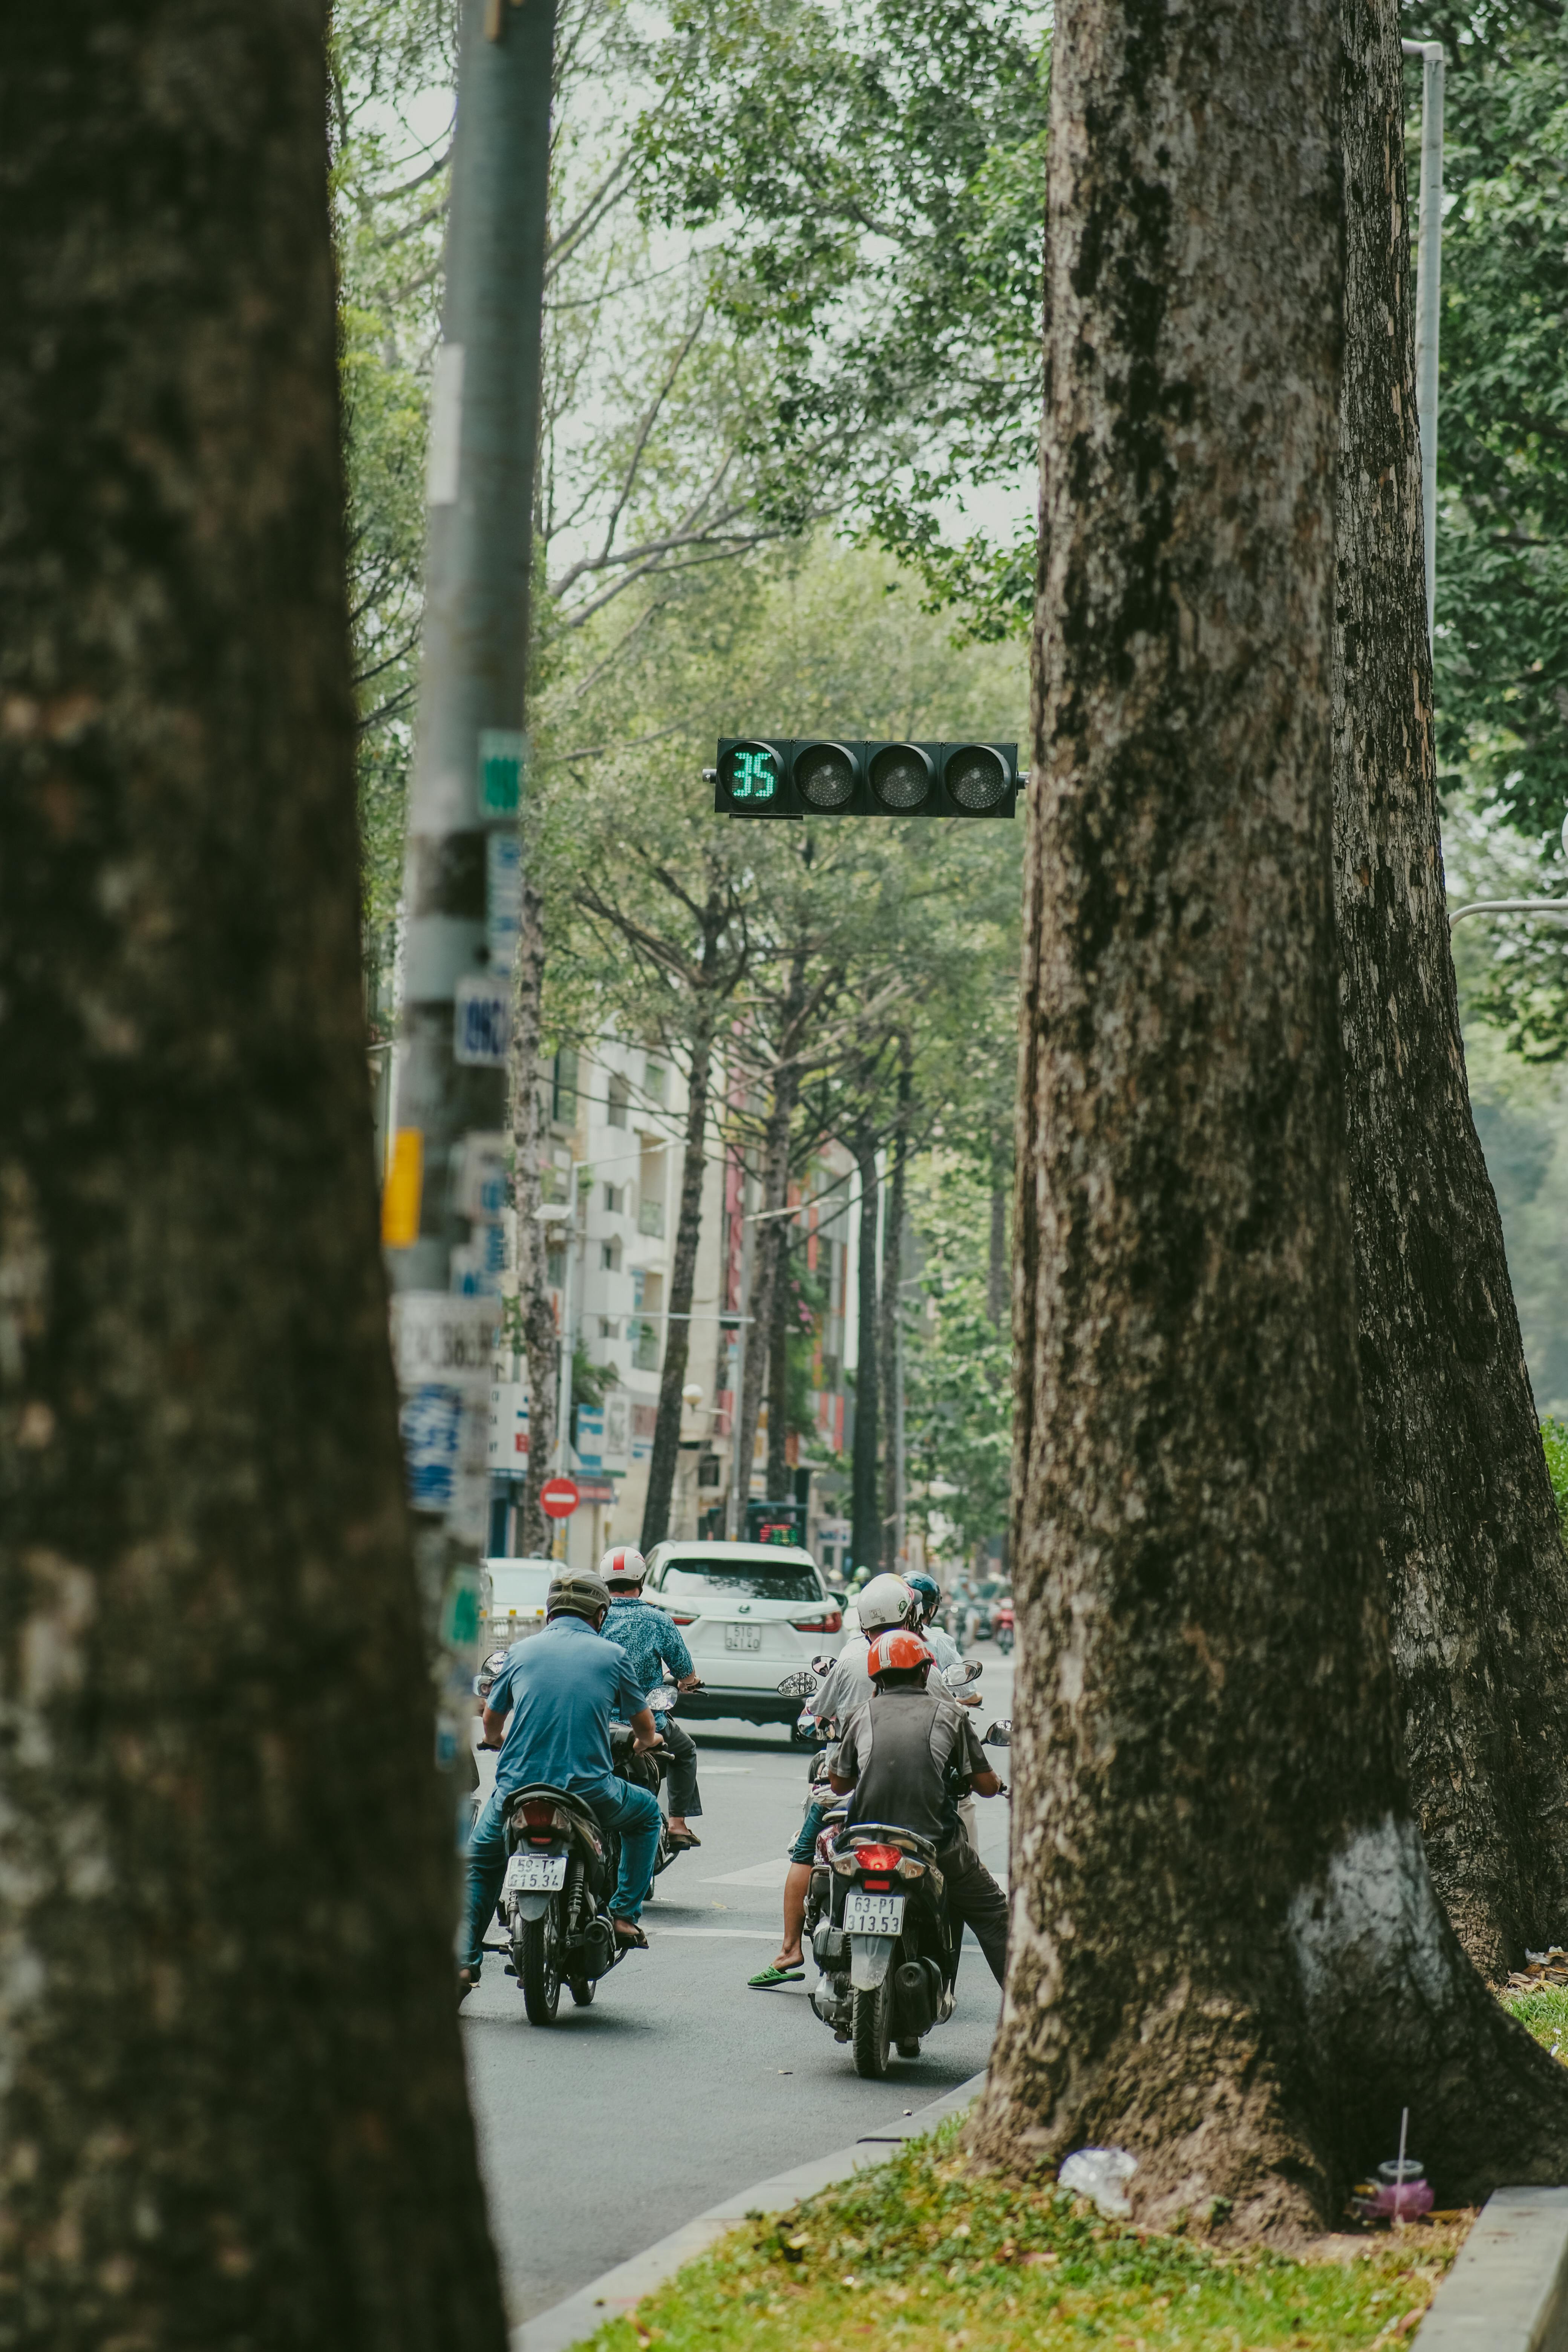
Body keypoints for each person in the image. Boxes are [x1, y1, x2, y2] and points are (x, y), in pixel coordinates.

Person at [458, 1570, 662, 1997]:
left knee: (480, 1865)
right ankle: (624, 1913)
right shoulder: (612, 1656)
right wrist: (648, 1742)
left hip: (515, 1791)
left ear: (549, 1611)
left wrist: (493, 1740)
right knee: (646, 1816)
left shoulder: (519, 1651)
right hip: (589, 1790)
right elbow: (643, 1724)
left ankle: (462, 1963)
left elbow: (492, 1719)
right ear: (600, 1613)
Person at [747, 1571, 916, 1989]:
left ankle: (790, 1948)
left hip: (849, 1789)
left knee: (804, 1850)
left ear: (863, 1620)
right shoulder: (924, 1659)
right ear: (908, 1615)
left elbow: (818, 1715)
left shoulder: (850, 1661)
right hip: (914, 1791)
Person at [828, 1627, 1009, 1986]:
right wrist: (1002, 1786)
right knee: (993, 1913)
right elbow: (986, 1787)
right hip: (934, 1845)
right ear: (926, 1671)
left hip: (864, 1841)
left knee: (829, 1884)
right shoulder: (950, 1715)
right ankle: (1028, 2012)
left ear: (876, 1676)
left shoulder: (860, 1715)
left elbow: (839, 1784)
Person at [599, 1544, 705, 1848]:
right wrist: (690, 1682)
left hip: (596, 1720)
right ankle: (677, 1824)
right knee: (685, 1751)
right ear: (641, 1580)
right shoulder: (657, 1620)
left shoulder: (594, 1616)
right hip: (645, 1724)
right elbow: (685, 1672)